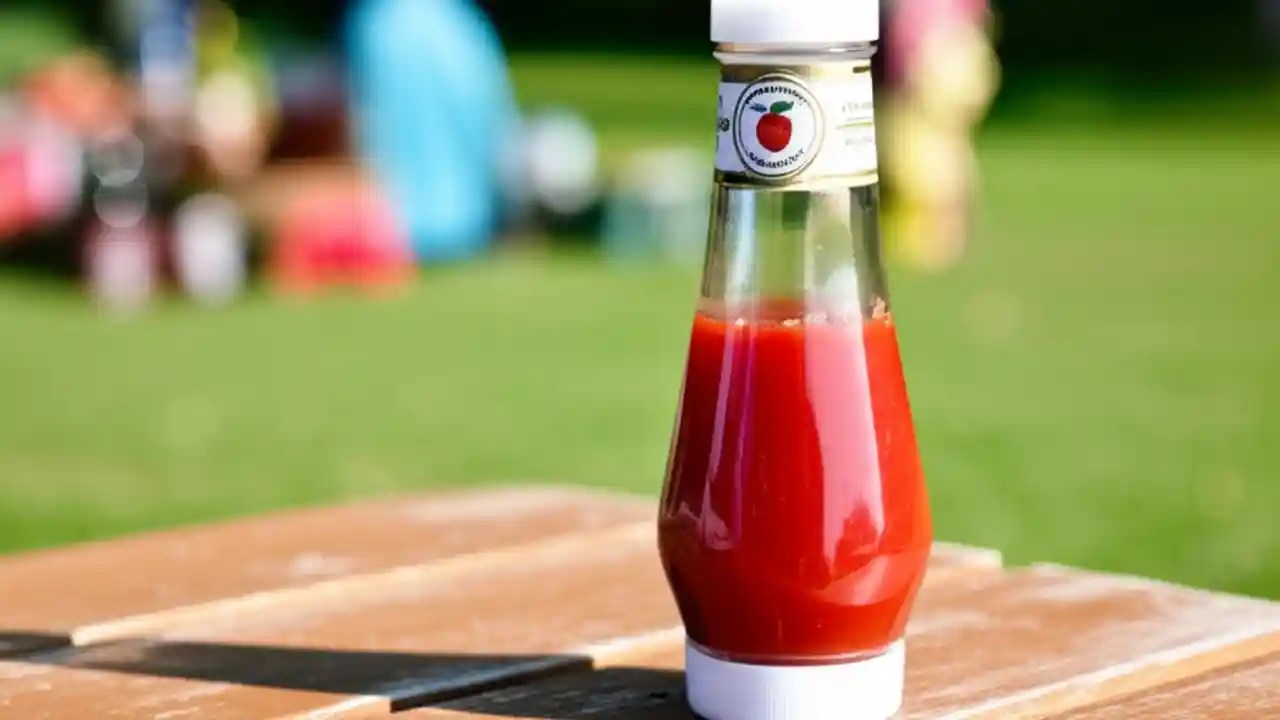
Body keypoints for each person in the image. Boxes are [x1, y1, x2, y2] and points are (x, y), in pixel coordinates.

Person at [347, 0, 519, 262]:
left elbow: (358, 123)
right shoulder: (464, 23)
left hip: (391, 230)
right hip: (471, 223)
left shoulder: (374, 23)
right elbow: (498, 124)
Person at [882, 0, 1000, 271]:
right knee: (945, 148)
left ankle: (931, 239)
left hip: (937, 54)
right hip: (959, 50)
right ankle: (942, 234)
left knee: (918, 150)